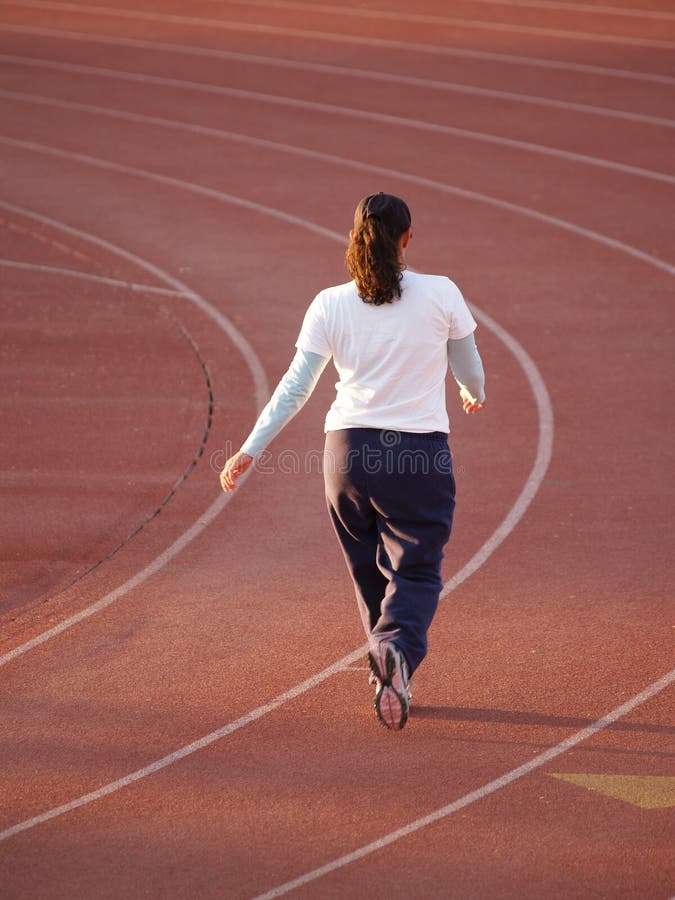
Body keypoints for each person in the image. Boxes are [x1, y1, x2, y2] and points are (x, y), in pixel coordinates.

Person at [220, 192, 485, 731]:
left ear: (354, 237)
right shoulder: (441, 293)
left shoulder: (329, 303)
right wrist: (470, 391)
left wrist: (250, 447)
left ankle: (386, 668)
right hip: (416, 453)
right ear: (408, 238)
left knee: (368, 568)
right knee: (416, 566)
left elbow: (296, 387)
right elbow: (471, 368)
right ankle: (394, 650)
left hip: (345, 454)